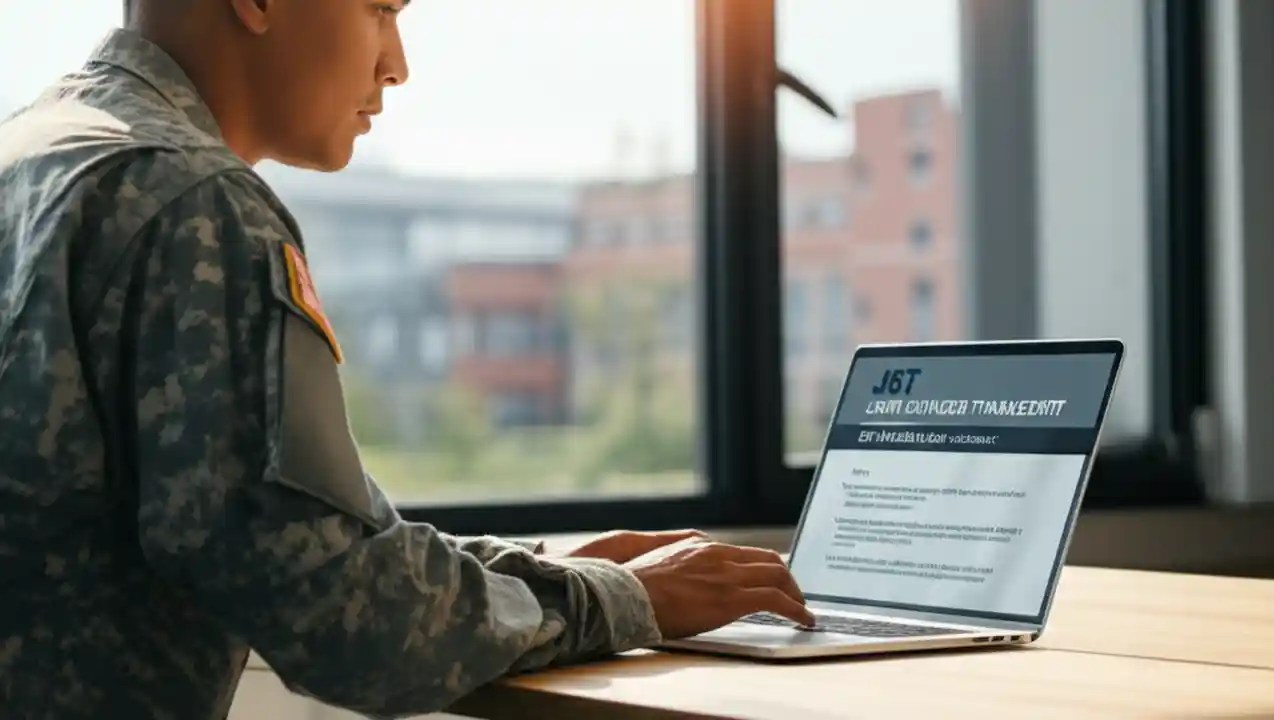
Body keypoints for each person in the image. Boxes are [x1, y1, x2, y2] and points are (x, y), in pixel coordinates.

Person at [0, 1, 814, 718]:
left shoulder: (34, 157)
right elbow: (345, 618)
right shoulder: (193, 202)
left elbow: (291, 531)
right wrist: (628, 601)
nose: (397, 64)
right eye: (381, 9)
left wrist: (534, 573)